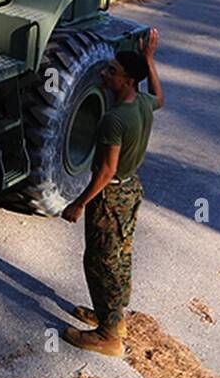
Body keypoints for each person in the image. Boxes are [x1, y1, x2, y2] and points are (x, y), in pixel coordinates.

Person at [60, 28, 164, 356]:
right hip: (131, 189)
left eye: (112, 72)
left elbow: (105, 171)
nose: (105, 74)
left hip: (111, 196)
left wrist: (79, 204)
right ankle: (113, 317)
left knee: (100, 261)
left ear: (129, 81)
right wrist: (148, 59)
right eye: (107, 69)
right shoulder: (144, 104)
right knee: (119, 257)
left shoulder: (114, 120)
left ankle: (108, 336)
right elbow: (160, 98)